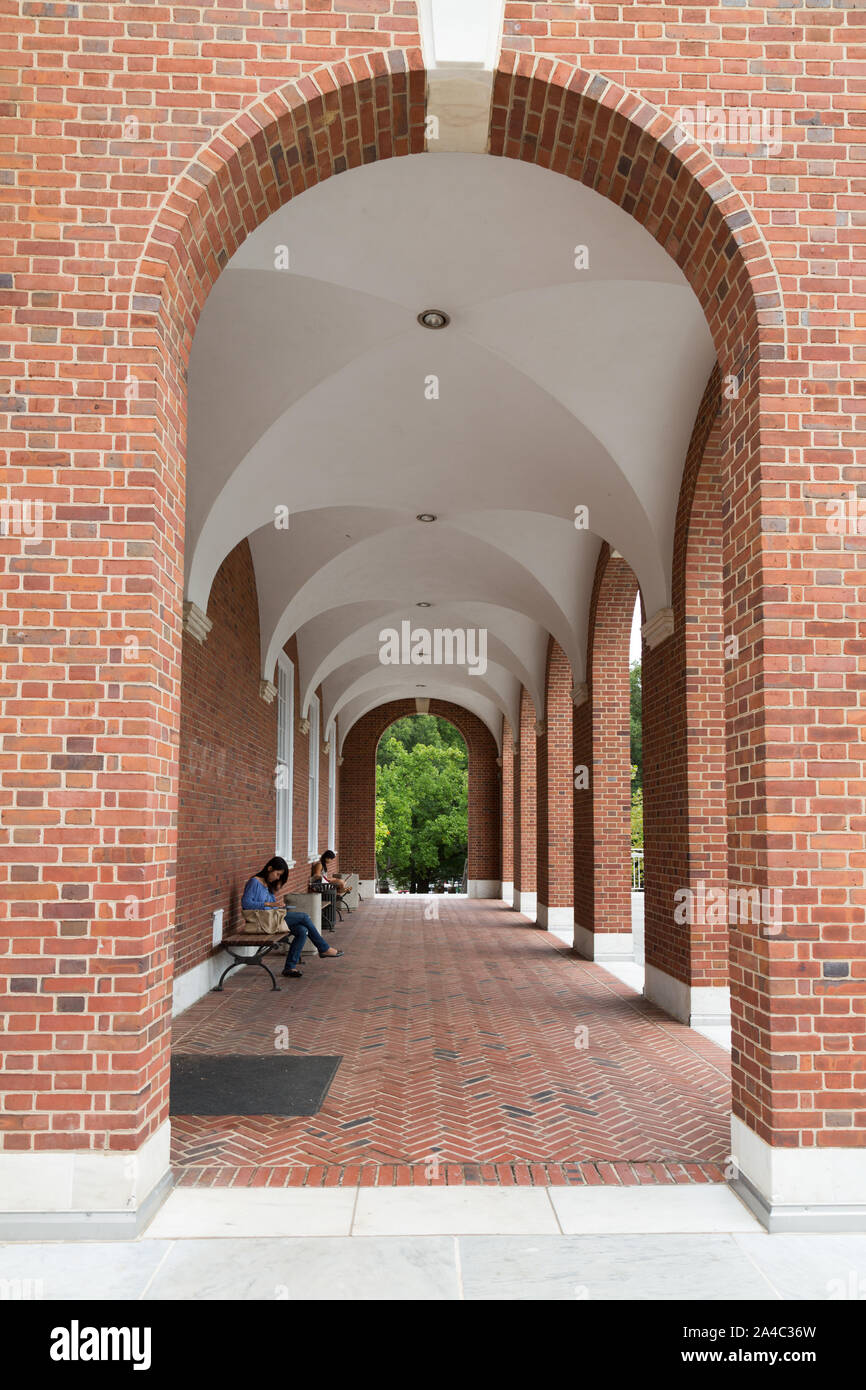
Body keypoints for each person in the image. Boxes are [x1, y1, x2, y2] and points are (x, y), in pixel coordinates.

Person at [241, 856, 343, 979]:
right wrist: (268, 904)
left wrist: (279, 907)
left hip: (272, 919)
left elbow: (272, 905)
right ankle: (323, 948)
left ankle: (290, 967)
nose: (277, 878)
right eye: (277, 874)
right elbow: (246, 904)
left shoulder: (267, 886)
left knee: (302, 930)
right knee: (304, 917)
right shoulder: (254, 882)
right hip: (262, 922)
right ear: (270, 868)